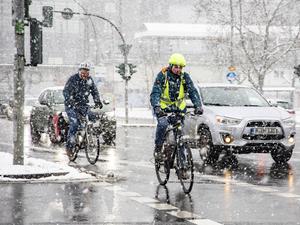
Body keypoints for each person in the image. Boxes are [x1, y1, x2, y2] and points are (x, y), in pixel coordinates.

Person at [150, 53, 203, 176]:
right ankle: (158, 148)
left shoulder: (184, 77)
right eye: (176, 67)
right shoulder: (163, 75)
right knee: (163, 125)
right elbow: (155, 92)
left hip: (179, 110)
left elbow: (192, 91)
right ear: (171, 66)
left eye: (180, 67)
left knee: (181, 138)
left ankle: (182, 167)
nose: (178, 70)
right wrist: (157, 107)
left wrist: (198, 106)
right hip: (163, 109)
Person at [63, 62, 103, 159]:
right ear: (79, 71)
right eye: (83, 72)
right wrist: (70, 100)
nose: (85, 74)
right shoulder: (73, 79)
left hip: (83, 105)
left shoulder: (89, 80)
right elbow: (66, 92)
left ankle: (91, 134)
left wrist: (97, 101)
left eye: (86, 72)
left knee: (93, 117)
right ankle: (70, 146)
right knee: (74, 124)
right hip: (71, 106)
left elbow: (94, 91)